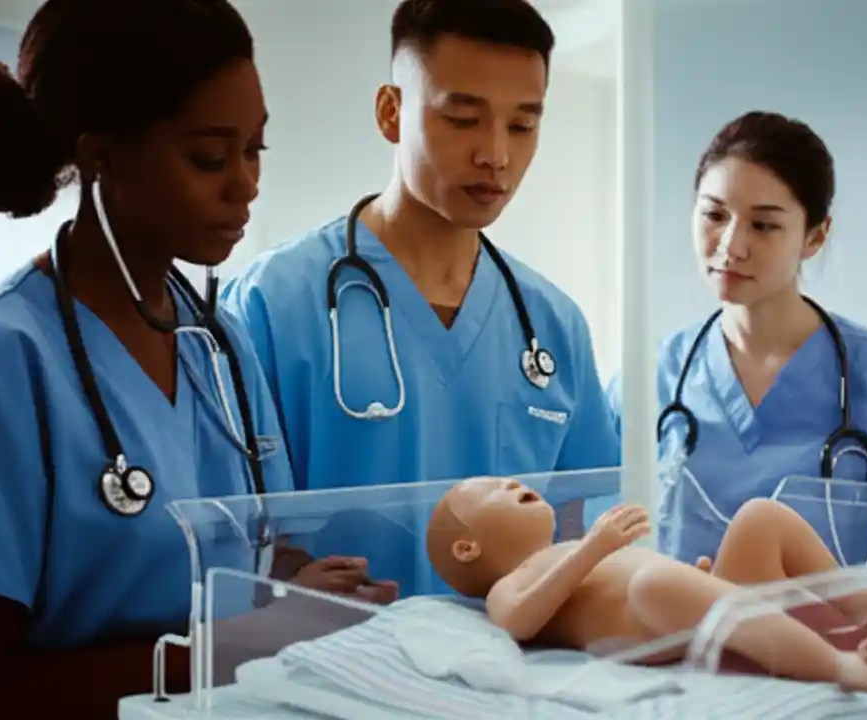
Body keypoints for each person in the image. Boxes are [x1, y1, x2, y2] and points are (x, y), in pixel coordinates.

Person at [0, 2, 377, 717]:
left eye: (254, 149)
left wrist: (311, 591)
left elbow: (252, 558)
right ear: (100, 156)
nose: (245, 183)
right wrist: (245, 642)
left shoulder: (223, 346)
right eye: (210, 156)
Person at [221, 0, 619, 593]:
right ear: (391, 112)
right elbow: (235, 532)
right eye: (463, 119)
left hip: (508, 669)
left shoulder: (552, 323)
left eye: (522, 124)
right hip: (333, 665)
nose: (496, 155)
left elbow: (582, 529)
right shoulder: (272, 301)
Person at [606, 111, 867, 571]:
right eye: (714, 215)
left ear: (815, 237)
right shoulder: (650, 378)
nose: (730, 246)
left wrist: (849, 620)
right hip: (681, 637)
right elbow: (595, 540)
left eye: (763, 225)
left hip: (832, 636)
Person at [426, 476, 867, 693]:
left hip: (689, 611)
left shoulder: (556, 554)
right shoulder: (511, 582)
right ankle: (847, 669)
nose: (515, 482)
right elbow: (520, 621)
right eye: (495, 490)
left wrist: (700, 584)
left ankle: (859, 599)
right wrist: (594, 548)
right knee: (656, 582)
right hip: (644, 628)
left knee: (759, 517)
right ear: (468, 547)